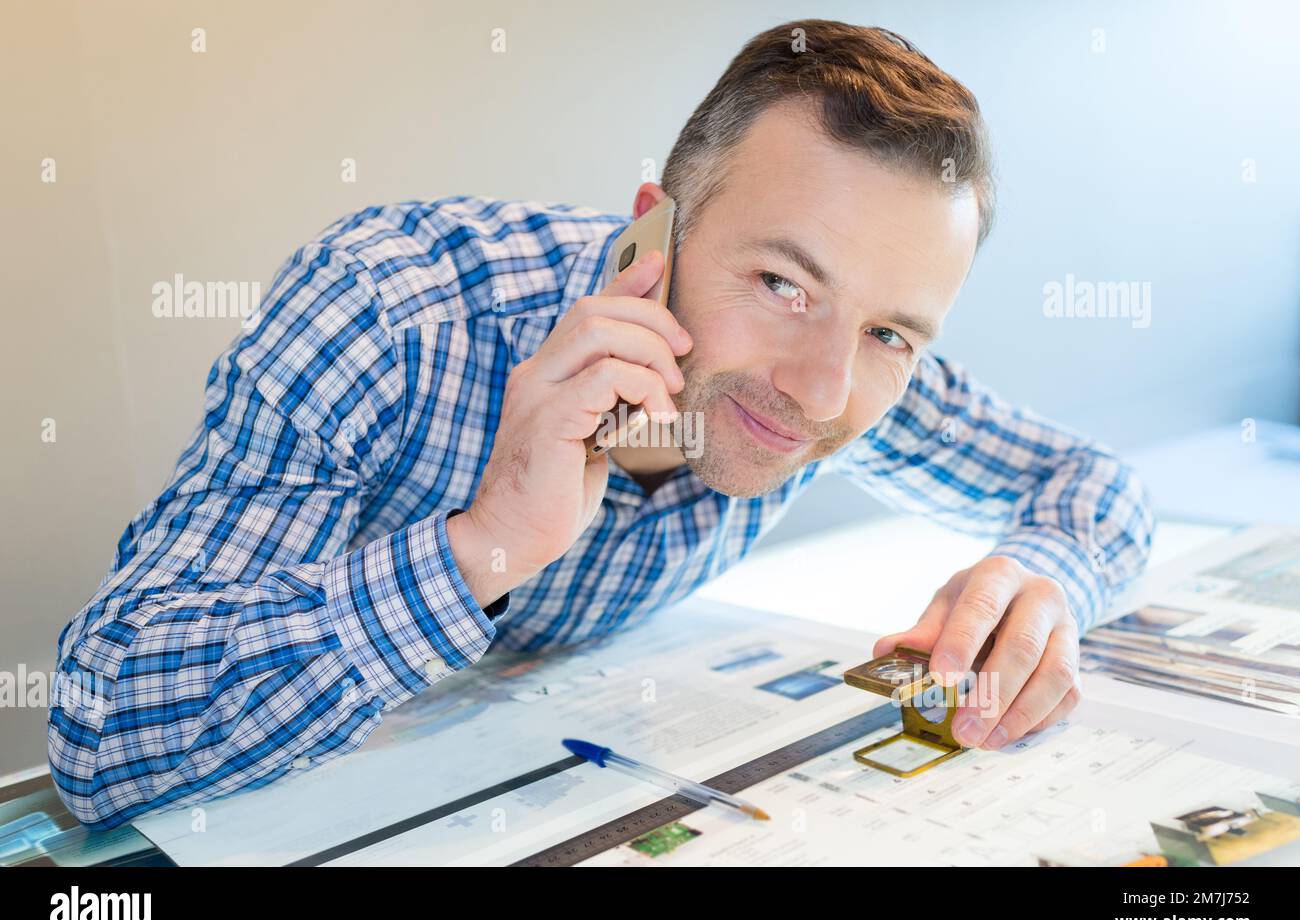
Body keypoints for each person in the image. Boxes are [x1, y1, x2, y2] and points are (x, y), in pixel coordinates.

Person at [49, 19, 1153, 829]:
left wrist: (1043, 575)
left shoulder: (838, 370)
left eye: (891, 333)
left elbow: (1086, 482)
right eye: (779, 281)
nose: (821, 393)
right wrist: (482, 544)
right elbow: (94, 737)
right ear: (654, 235)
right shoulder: (388, 310)